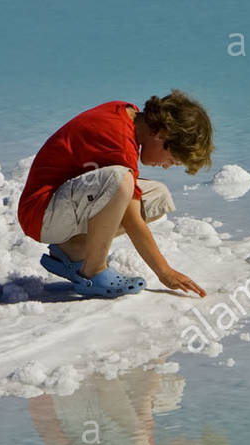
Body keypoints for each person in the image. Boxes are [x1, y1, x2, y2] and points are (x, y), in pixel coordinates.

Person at [16, 91, 211, 297]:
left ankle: (73, 249)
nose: (165, 166)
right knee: (122, 181)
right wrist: (165, 272)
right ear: (161, 135)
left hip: (61, 204)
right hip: (40, 214)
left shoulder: (127, 113)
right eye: (172, 160)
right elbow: (131, 218)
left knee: (158, 196)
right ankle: (93, 271)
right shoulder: (119, 140)